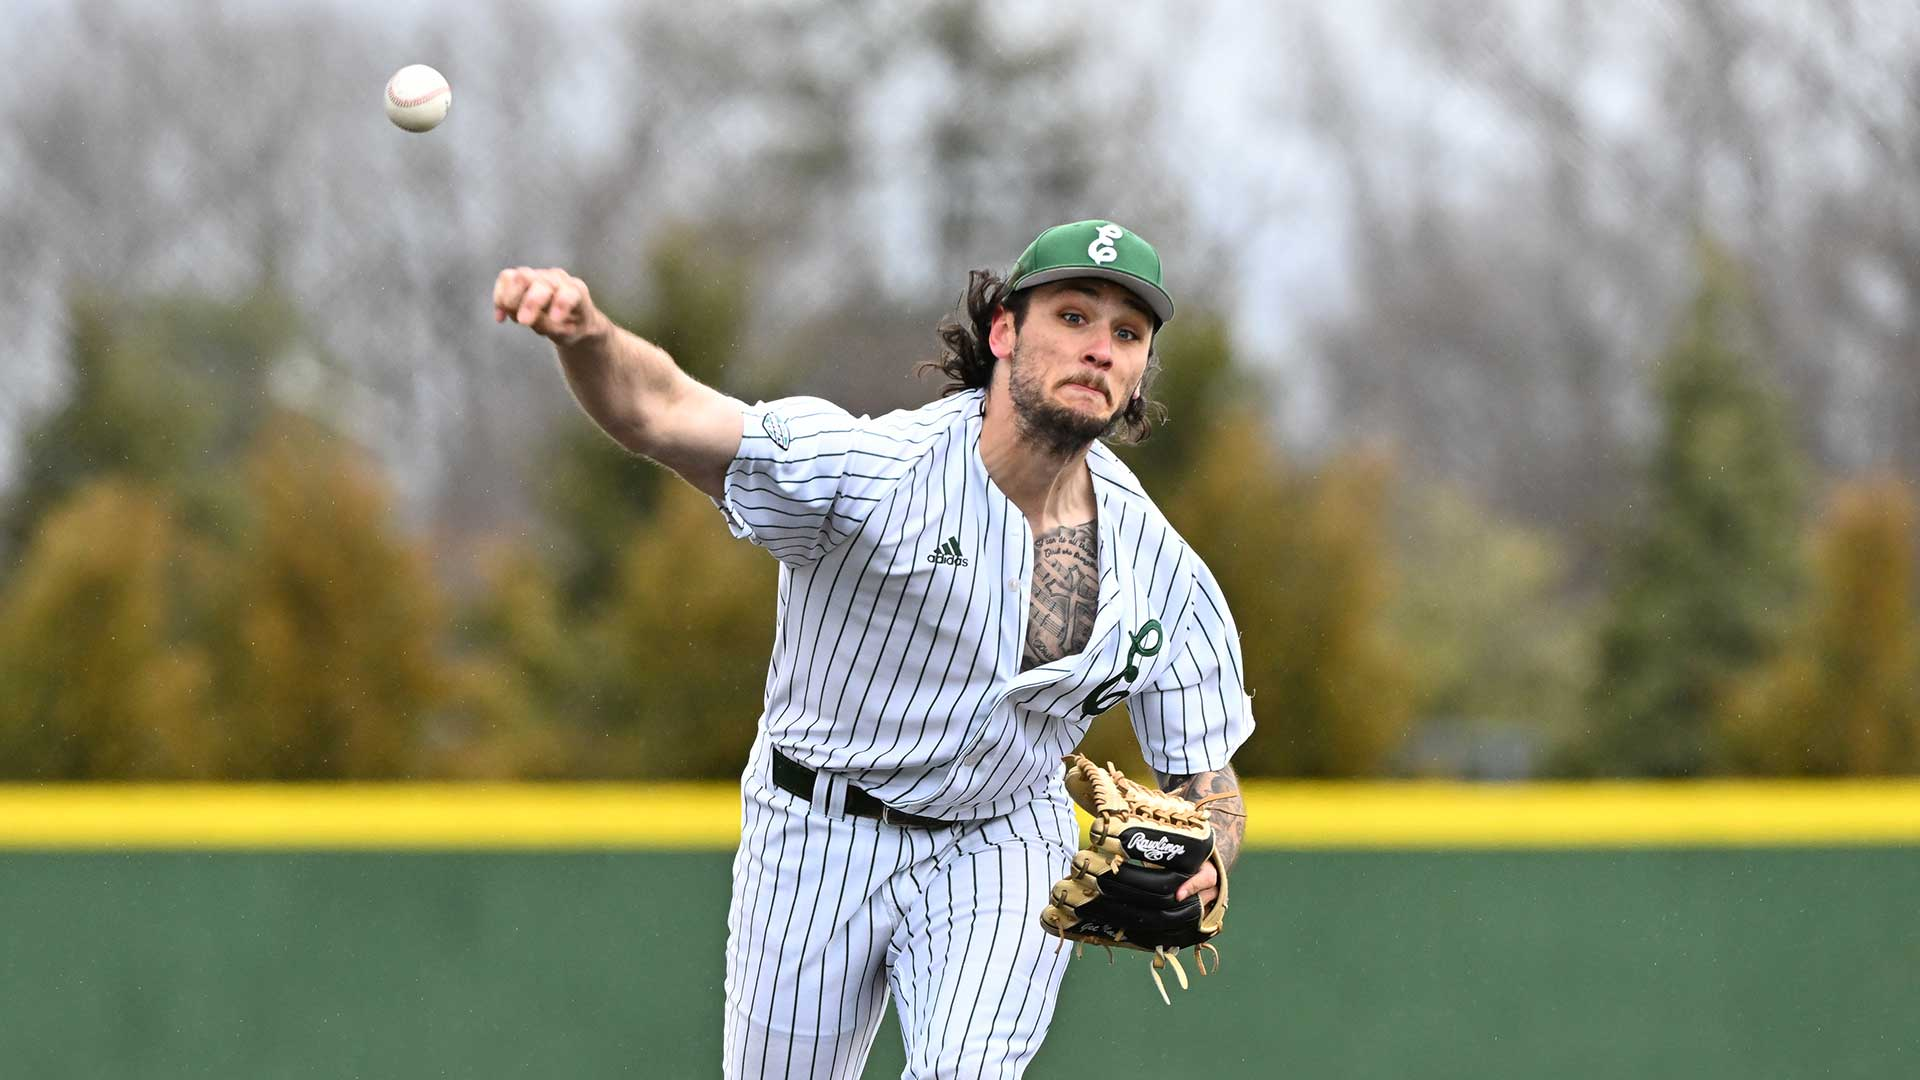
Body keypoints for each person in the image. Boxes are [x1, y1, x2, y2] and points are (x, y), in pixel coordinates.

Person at [493, 219, 1254, 1079]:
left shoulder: (1162, 569)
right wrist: (589, 336)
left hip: (1001, 841)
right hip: (817, 827)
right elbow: (660, 411)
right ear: (1004, 331)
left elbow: (1206, 783)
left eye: (1127, 334)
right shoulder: (876, 471)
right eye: (1073, 317)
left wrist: (1210, 861)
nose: (1101, 350)